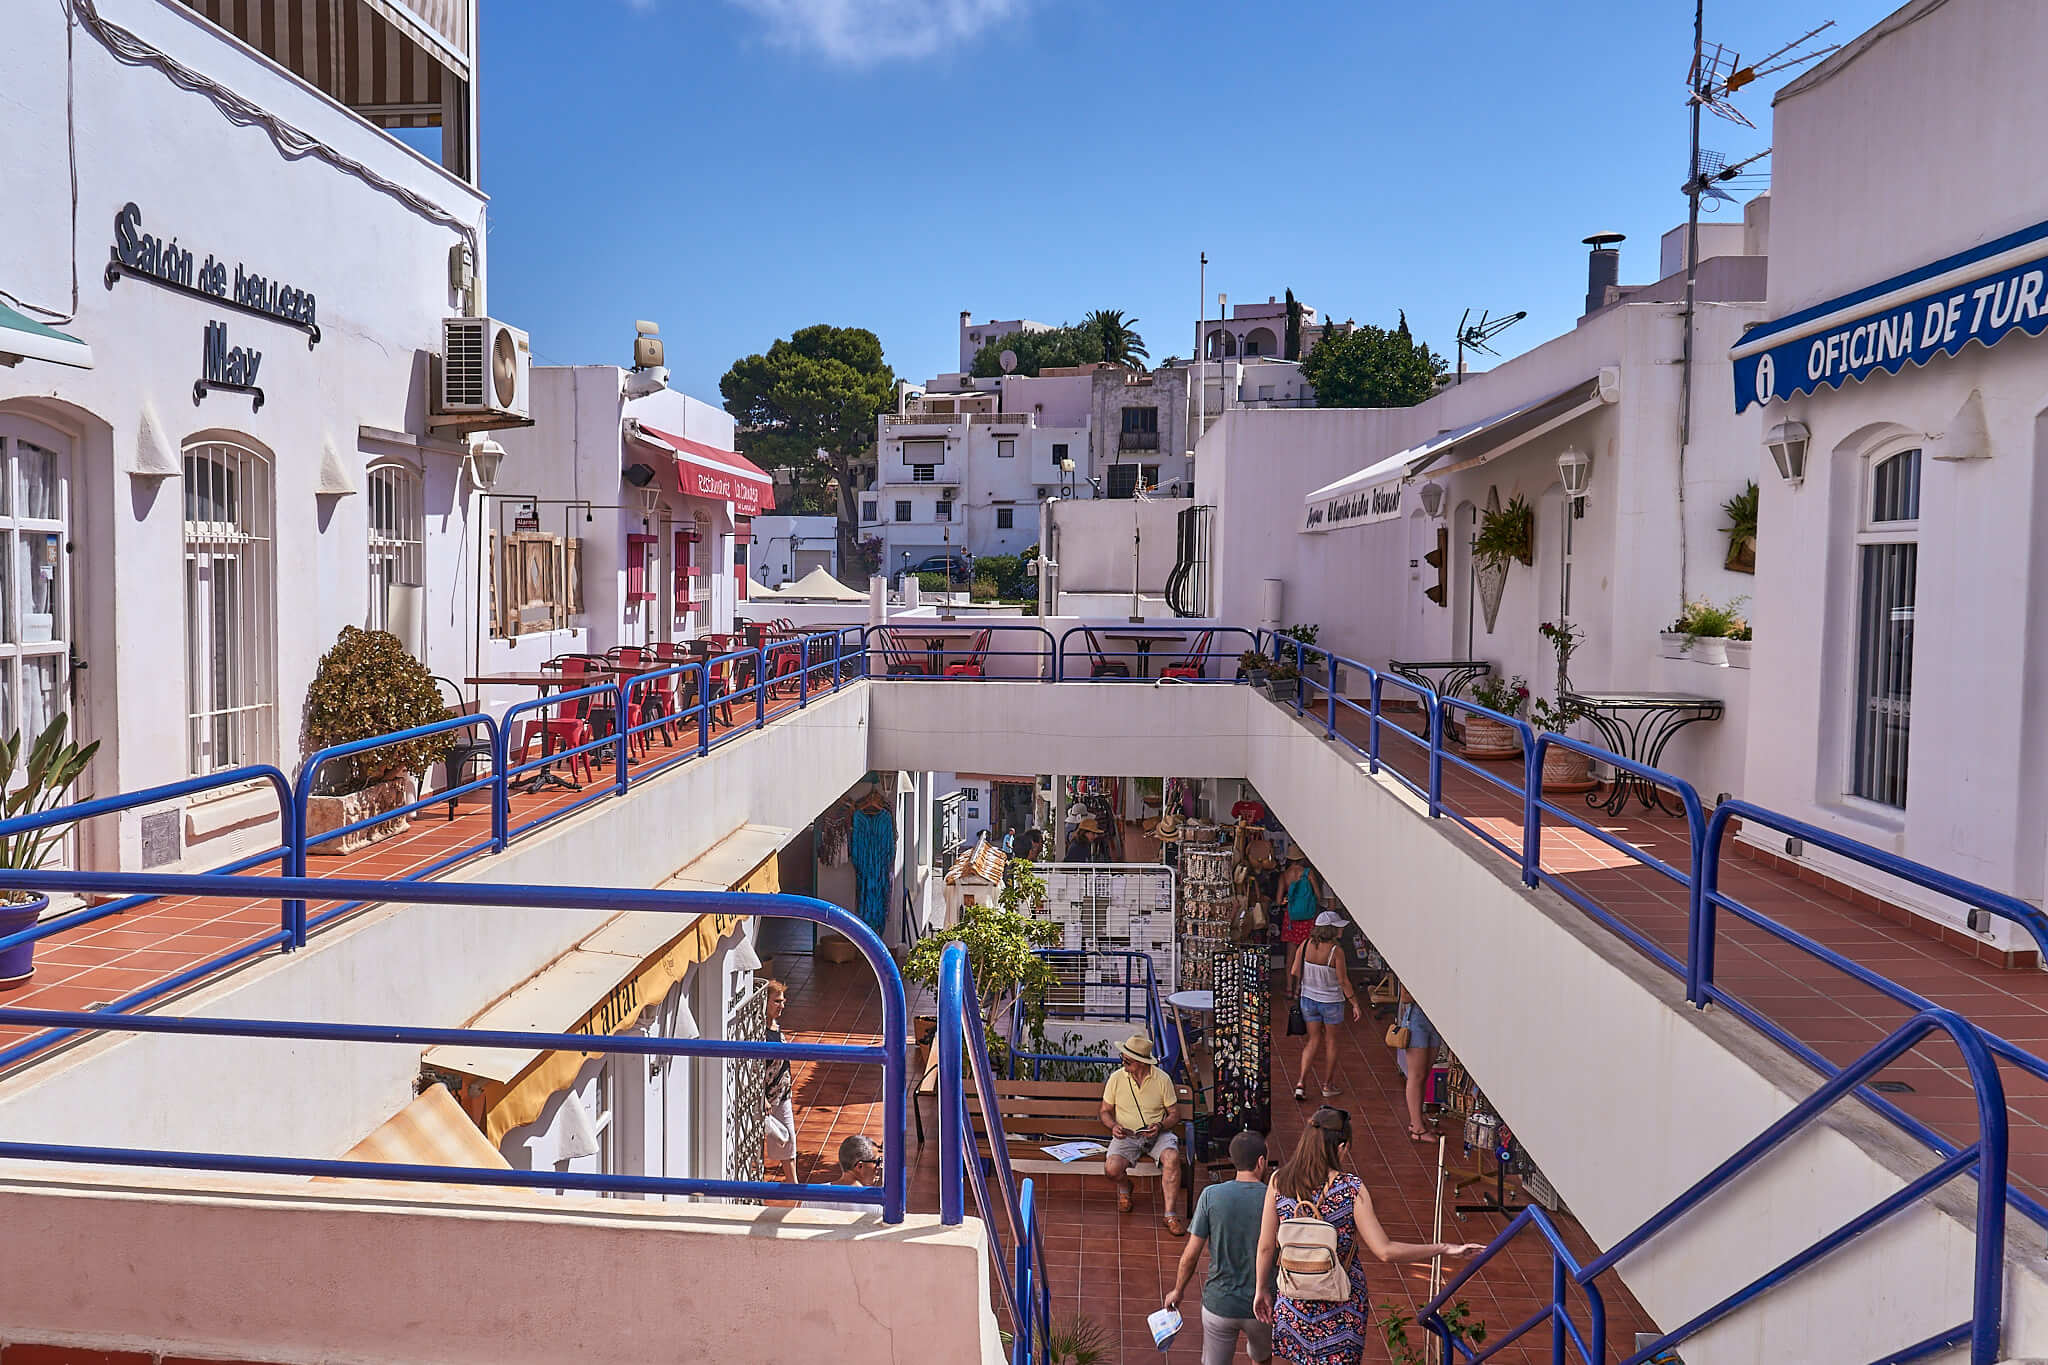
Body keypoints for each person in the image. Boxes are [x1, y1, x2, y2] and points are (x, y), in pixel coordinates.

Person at [1254, 1107, 1480, 1363]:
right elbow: (1385, 1251)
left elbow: (1265, 1247)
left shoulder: (1278, 1181)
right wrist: (1444, 1248)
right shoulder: (1351, 1188)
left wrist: (1261, 1288)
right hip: (1342, 1301)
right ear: (1341, 1147)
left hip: (1293, 1298)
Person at [1166, 1129, 1274, 1365]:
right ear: (1261, 1162)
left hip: (1219, 1304)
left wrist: (1178, 1290)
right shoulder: (1275, 1198)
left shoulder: (1211, 1195)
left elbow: (1190, 1256)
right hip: (1263, 1305)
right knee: (1262, 1359)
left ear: (1233, 1160)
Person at [1099, 1032, 1187, 1234]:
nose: (1123, 1062)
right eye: (1123, 1058)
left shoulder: (1162, 1079)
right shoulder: (1117, 1078)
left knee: (1172, 1157)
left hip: (1157, 1134)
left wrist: (1161, 1126)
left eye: (1128, 1060)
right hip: (1127, 1136)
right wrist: (1113, 1126)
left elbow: (1175, 1114)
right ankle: (1125, 1187)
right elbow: (1104, 1111)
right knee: (1111, 1169)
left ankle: (1170, 1214)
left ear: (1141, 1062)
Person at [1288, 911, 1361, 1103]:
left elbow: (1295, 970)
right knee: (1331, 1043)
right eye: (1338, 926)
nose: (1341, 930)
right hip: (1331, 1003)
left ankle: (1301, 1083)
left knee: (1313, 1041)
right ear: (1331, 929)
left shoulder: (1305, 945)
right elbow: (1343, 981)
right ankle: (1327, 1085)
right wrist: (1354, 1003)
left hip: (1308, 999)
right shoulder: (1336, 951)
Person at [1393, 988, 1443, 1144]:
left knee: (1424, 1074)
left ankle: (1418, 1121)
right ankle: (1417, 1128)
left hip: (1433, 1019)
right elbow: (1405, 997)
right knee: (1416, 1075)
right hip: (1418, 1019)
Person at [762, 979, 799, 1183]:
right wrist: (762, 1098)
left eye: (783, 1001)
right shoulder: (758, 1032)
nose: (781, 1006)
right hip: (767, 1097)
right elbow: (754, 1066)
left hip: (783, 1093)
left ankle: (793, 1184)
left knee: (788, 1139)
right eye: (777, 1001)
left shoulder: (776, 1026)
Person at [813, 1133, 882, 1214]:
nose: (879, 1166)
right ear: (859, 1166)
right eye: (877, 1161)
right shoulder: (877, 1207)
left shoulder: (812, 1197)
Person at [1279, 849, 1320, 951]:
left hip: (1291, 917)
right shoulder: (1309, 873)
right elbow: (1318, 895)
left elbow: (1279, 901)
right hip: (1309, 914)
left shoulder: (1284, 875)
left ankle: (1289, 968)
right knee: (1309, 949)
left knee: (1291, 952)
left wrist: (1288, 900)